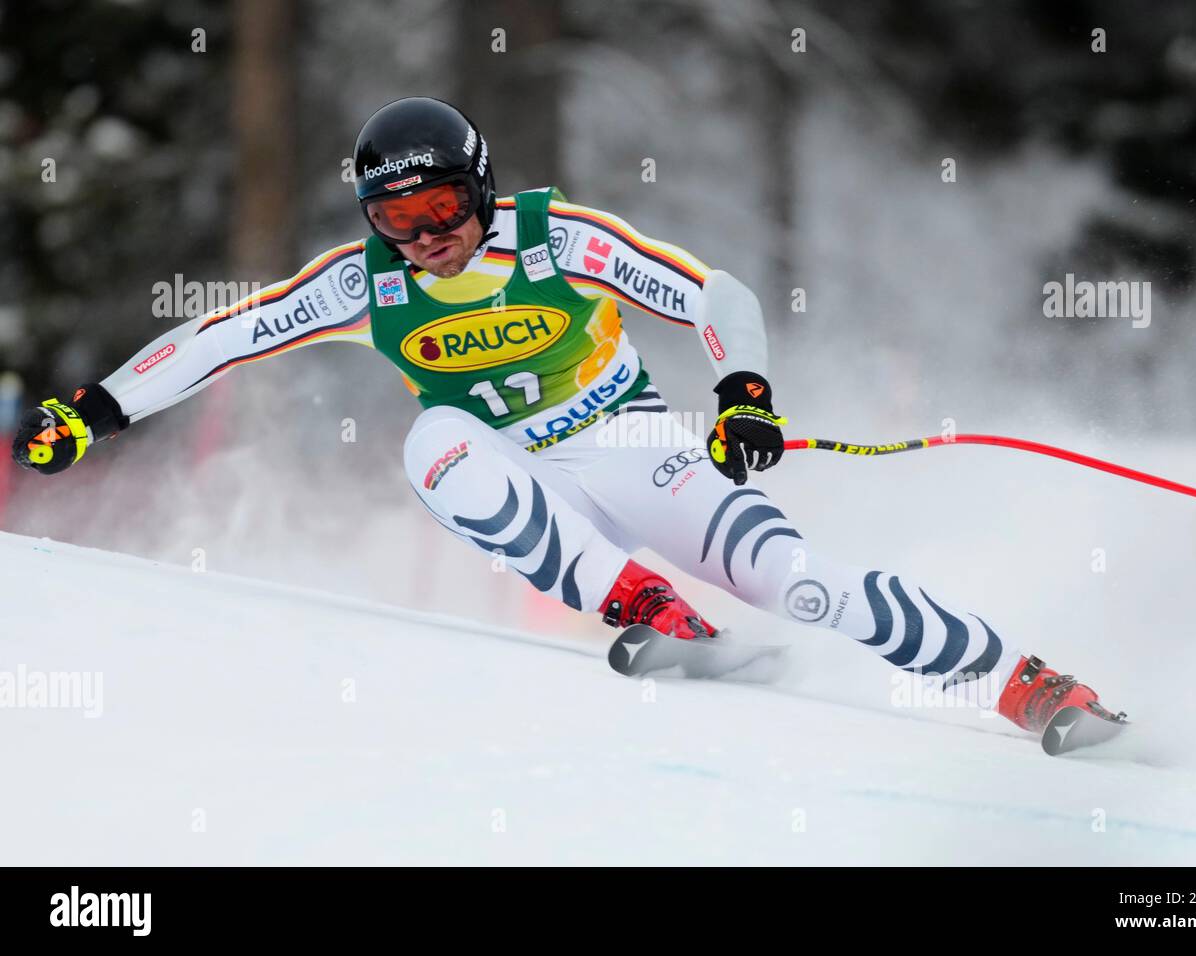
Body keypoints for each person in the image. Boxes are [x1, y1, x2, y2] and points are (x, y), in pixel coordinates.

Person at [10, 97, 1118, 736]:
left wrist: (742, 397)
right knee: (434, 444)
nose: (424, 235)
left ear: (481, 190)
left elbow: (713, 295)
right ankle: (657, 613)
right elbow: (222, 336)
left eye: (441, 206)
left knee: (808, 584)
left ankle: (1031, 686)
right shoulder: (366, 283)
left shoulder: (558, 239)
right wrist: (95, 409)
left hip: (630, 445)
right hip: (517, 474)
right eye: (396, 215)